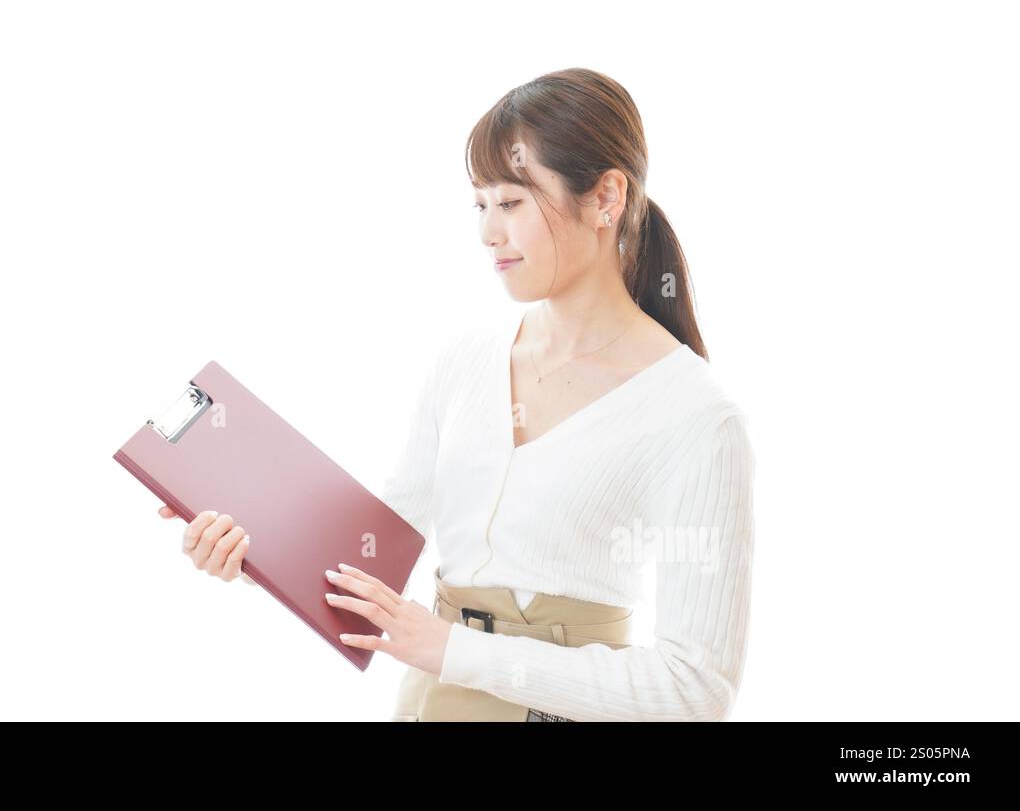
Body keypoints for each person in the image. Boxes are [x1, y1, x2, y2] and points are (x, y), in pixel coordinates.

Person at [161, 68, 756, 721]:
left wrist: (454, 649)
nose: (488, 232)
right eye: (481, 204)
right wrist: (254, 548)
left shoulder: (696, 416)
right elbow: (372, 559)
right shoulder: (465, 363)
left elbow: (695, 688)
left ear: (605, 196)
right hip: (431, 705)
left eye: (513, 202)